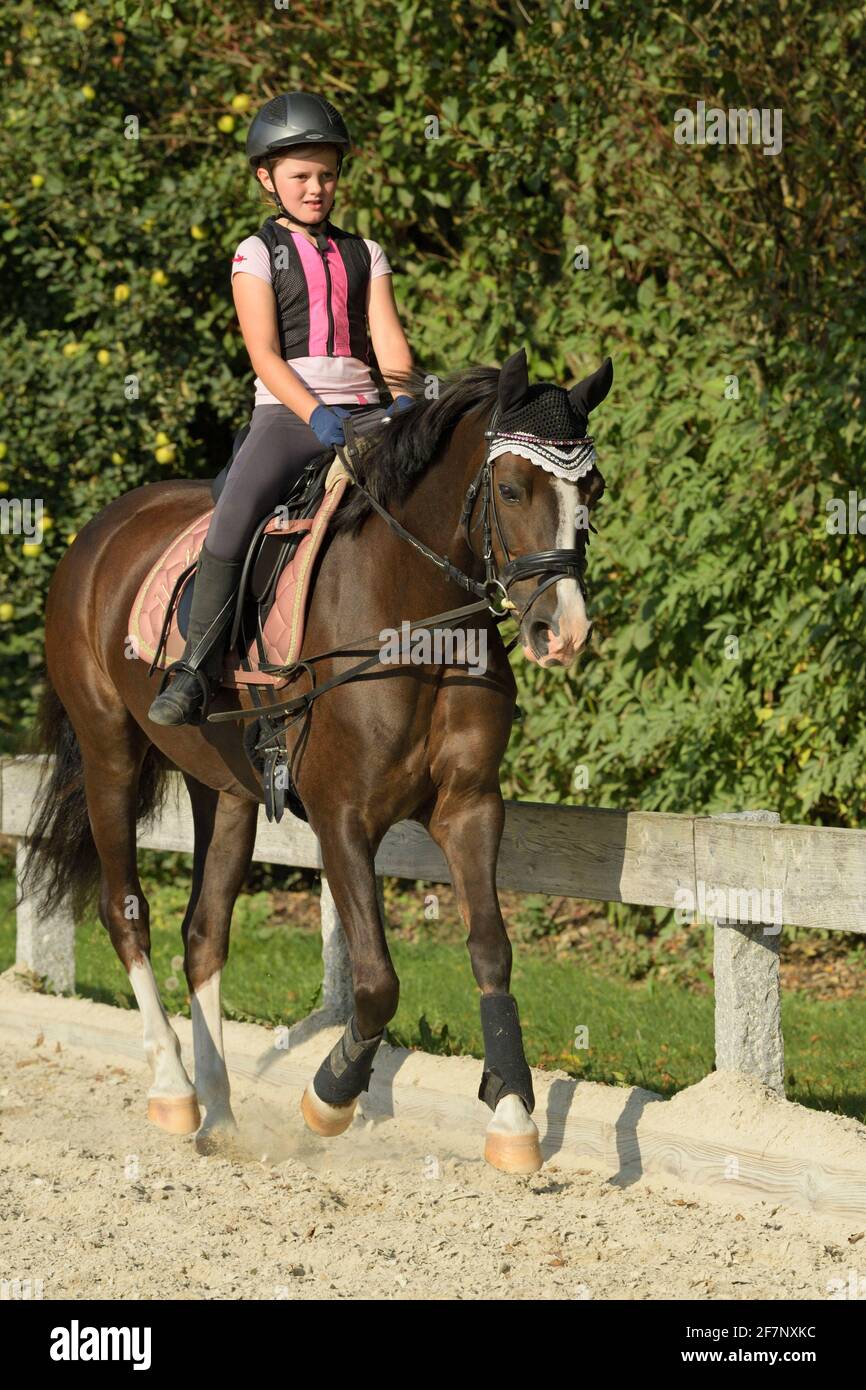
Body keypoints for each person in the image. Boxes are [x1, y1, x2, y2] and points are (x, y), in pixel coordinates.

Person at [148, 90, 414, 726]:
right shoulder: (254, 253)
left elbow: (388, 338)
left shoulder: (366, 253)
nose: (317, 187)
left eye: (327, 174)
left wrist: (405, 400)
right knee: (234, 515)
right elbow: (264, 354)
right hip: (288, 417)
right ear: (268, 179)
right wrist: (316, 414)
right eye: (301, 176)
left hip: (368, 413)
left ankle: (460, 666)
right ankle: (195, 669)